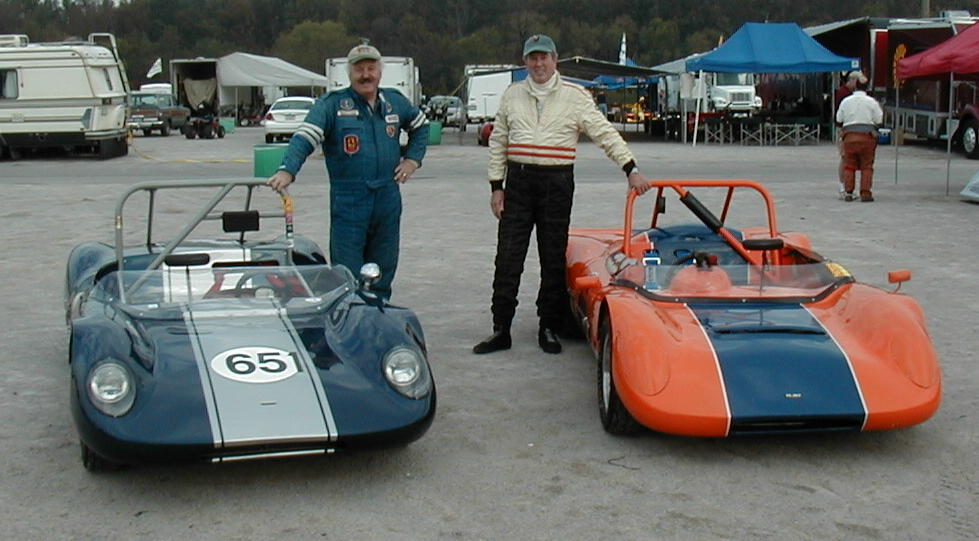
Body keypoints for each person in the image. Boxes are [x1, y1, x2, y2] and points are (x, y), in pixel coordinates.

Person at [473, 34, 650, 355]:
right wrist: (496, 186)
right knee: (508, 256)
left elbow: (604, 132)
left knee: (553, 257)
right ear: (525, 62)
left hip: (556, 182)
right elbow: (498, 142)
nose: (538, 64)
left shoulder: (575, 96)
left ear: (555, 60)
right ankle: (501, 328)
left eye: (544, 57)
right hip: (519, 182)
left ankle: (548, 326)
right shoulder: (512, 94)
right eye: (533, 58)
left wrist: (630, 167)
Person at [267, 42, 429, 299]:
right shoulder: (331, 105)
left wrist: (412, 160)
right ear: (349, 74)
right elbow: (305, 138)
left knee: (383, 268)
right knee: (346, 273)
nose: (365, 75)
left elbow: (421, 127)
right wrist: (288, 170)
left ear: (380, 72)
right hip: (349, 201)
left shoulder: (395, 102)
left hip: (387, 198)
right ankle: (350, 316)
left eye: (371, 69)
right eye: (359, 70)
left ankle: (378, 312)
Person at [836, 75, 883, 202]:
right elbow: (879, 119)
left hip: (849, 137)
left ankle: (848, 192)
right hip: (867, 137)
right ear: (867, 88)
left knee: (849, 165)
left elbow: (839, 119)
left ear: (855, 86)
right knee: (866, 166)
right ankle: (865, 193)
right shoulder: (872, 102)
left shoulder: (846, 101)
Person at [834, 71, 862, 198]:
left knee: (849, 159)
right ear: (852, 80)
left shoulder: (850, 94)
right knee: (845, 158)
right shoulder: (843, 93)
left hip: (850, 129)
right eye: (857, 81)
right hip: (844, 129)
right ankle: (842, 185)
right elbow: (839, 115)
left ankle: (849, 186)